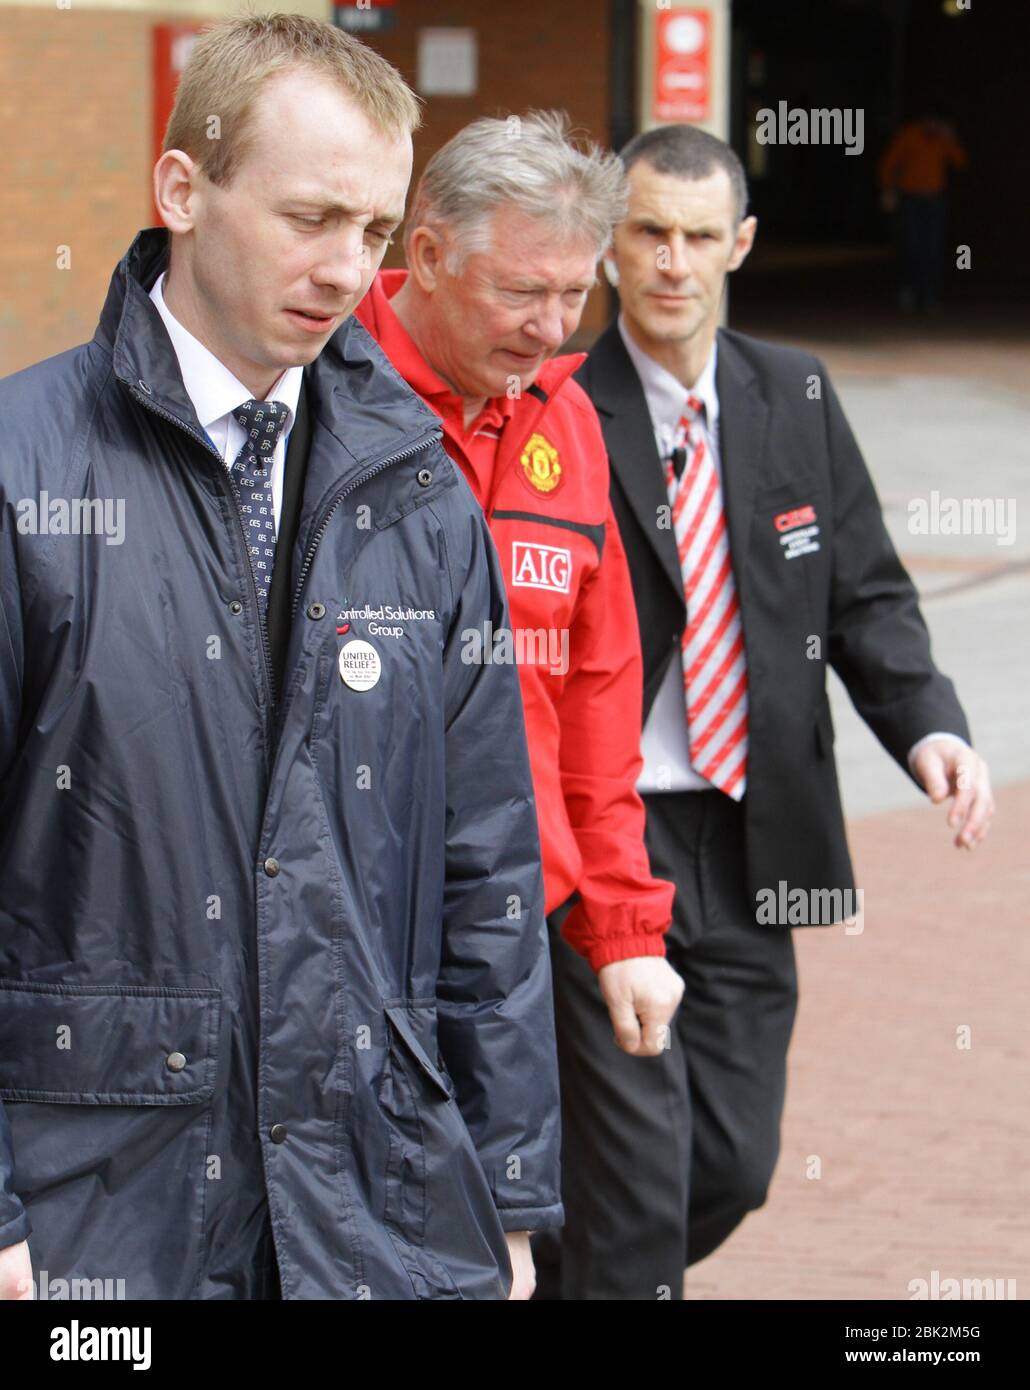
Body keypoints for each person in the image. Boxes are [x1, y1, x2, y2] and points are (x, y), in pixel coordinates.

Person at [0, 14, 561, 1302]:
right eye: (310, 218)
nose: (348, 269)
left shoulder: (420, 493)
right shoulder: (26, 473)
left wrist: (511, 1191)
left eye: (373, 232)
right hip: (95, 1208)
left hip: (372, 1196)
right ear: (182, 190)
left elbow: (485, 863)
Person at [567, 122, 995, 1299]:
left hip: (763, 836)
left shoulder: (793, 392)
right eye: (647, 231)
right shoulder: (561, 409)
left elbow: (865, 595)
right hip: (613, 840)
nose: (670, 261)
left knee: (736, 1162)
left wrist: (931, 728)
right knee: (641, 1170)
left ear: (738, 244)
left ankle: (563, 1267)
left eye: (698, 236)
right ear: (610, 242)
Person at [354, 110, 684, 1288]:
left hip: (531, 909)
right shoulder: (322, 393)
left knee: (641, 1215)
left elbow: (597, 696)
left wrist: (626, 926)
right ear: (427, 253)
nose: (554, 330)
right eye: (521, 294)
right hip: (362, 925)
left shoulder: (567, 415)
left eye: (575, 297)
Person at [879, 111, 967, 311]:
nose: (934, 125)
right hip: (911, 198)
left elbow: (960, 162)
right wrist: (888, 190)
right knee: (911, 245)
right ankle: (907, 289)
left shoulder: (943, 140)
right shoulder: (909, 135)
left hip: (935, 200)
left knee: (933, 248)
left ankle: (929, 295)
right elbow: (889, 164)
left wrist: (951, 139)